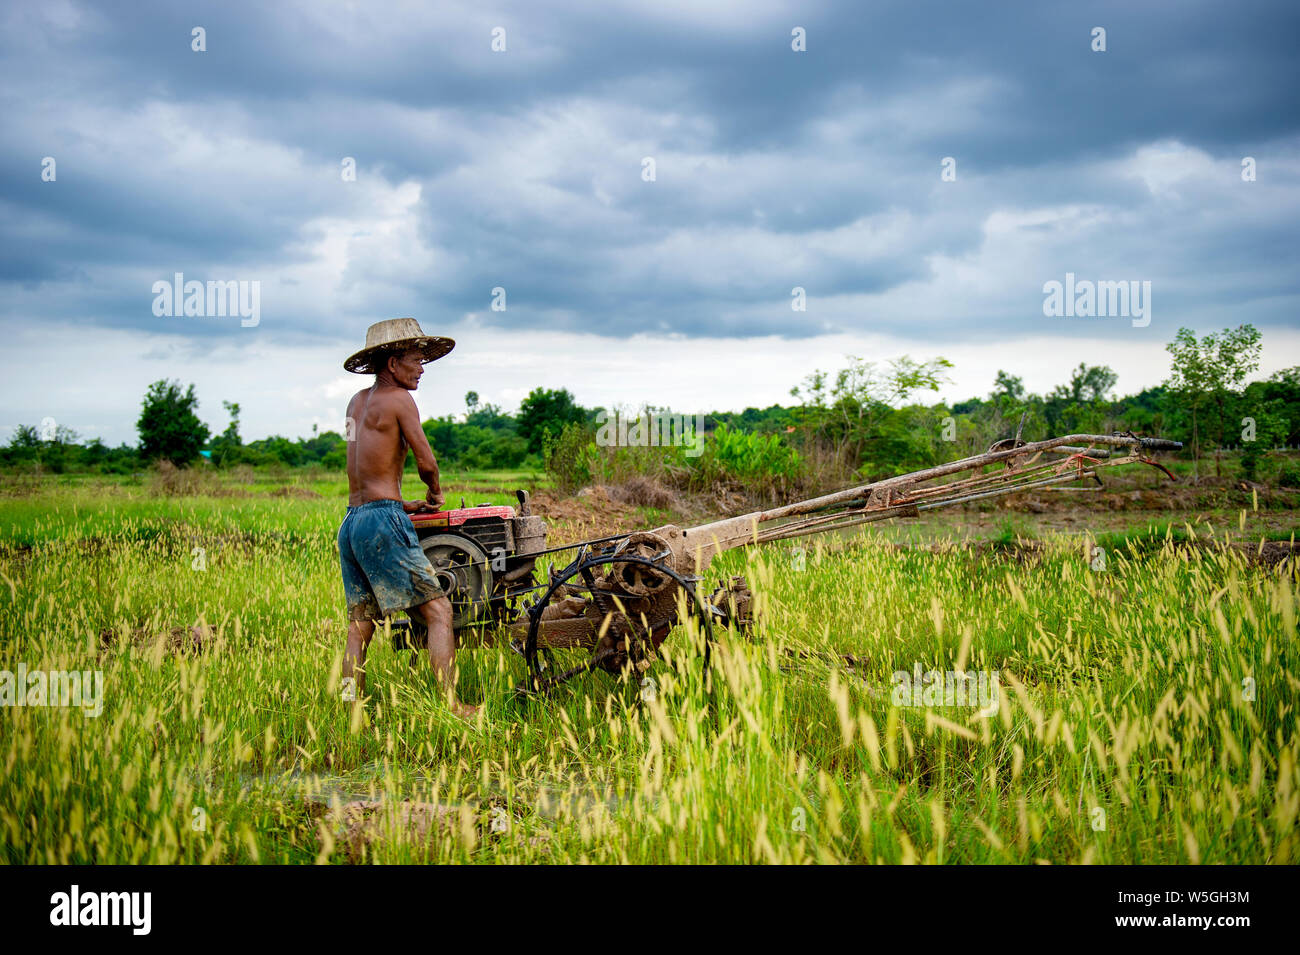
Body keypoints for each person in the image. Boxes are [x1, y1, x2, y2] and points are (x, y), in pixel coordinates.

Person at [336, 317, 477, 718]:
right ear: (393, 363)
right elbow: (426, 460)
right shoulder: (399, 399)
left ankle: (350, 706)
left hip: (353, 521)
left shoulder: (355, 403)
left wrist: (398, 503)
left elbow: (362, 463)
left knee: (361, 625)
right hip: (381, 520)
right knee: (439, 611)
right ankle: (451, 706)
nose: (421, 369)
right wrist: (433, 493)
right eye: (416, 361)